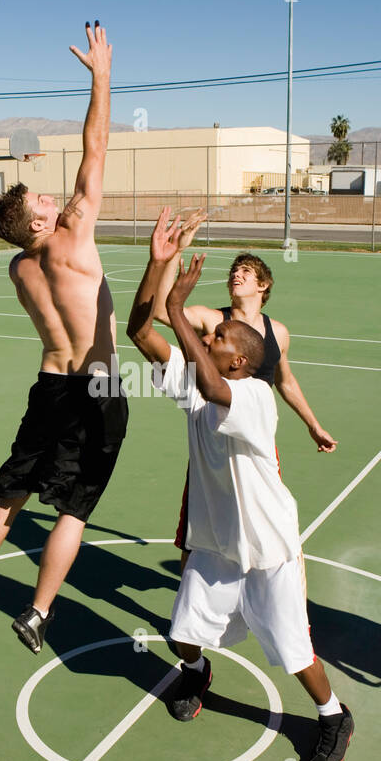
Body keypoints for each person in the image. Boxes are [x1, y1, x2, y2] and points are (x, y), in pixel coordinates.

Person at [127, 210, 353, 761]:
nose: (211, 335)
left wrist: (178, 308)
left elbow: (208, 377)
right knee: (183, 635)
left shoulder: (252, 397)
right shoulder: (200, 380)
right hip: (214, 543)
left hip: (268, 546)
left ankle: (332, 716)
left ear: (241, 361)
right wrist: (157, 265)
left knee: (293, 650)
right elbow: (138, 332)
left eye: (219, 337)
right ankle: (196, 673)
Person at [0, 22, 128, 654]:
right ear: (37, 219)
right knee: (75, 509)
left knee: (12, 490)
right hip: (97, 386)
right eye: (41, 198)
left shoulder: (17, 266)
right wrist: (102, 76)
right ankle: (37, 612)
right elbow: (98, 146)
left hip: (49, 386)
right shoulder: (73, 235)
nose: (54, 196)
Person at [152, 216, 337, 561]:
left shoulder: (277, 332)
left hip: (254, 439)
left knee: (270, 527)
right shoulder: (213, 320)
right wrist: (176, 251)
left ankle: (280, 603)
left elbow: (286, 381)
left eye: (246, 272)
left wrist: (313, 424)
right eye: (234, 272)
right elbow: (164, 312)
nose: (236, 275)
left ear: (263, 285)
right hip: (213, 434)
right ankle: (189, 607)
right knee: (196, 531)